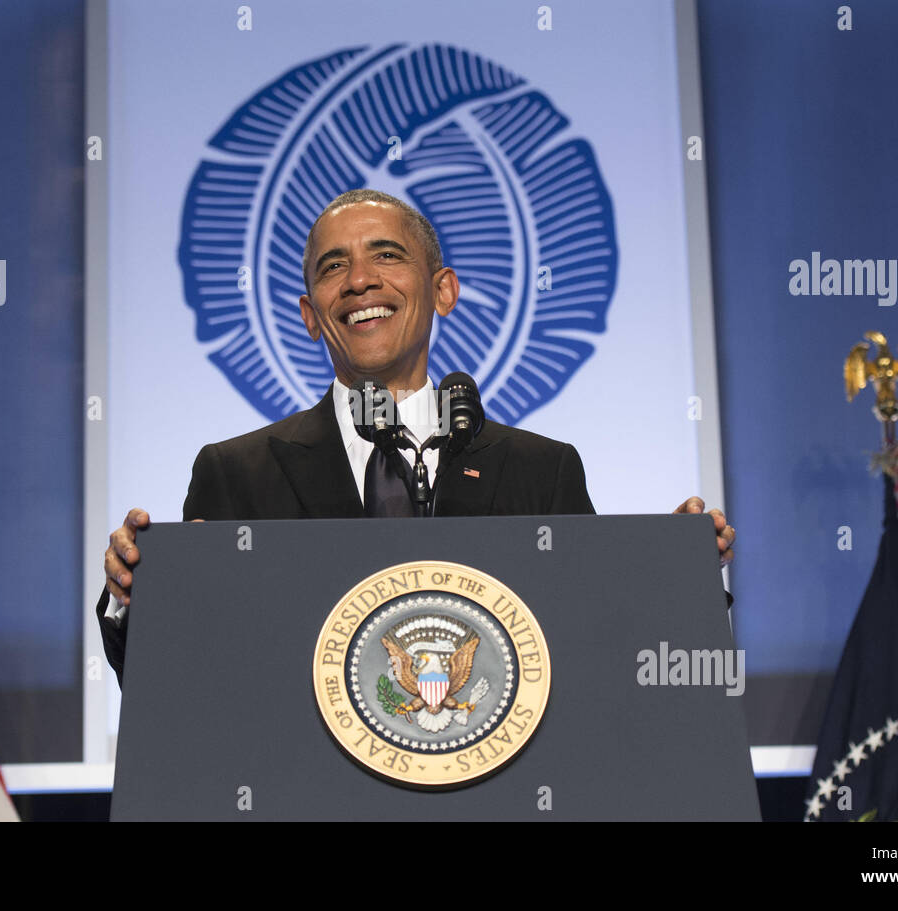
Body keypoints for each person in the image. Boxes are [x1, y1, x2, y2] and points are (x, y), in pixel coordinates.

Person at [97, 189, 735, 684]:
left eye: (387, 255)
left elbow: (598, 653)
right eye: (333, 267)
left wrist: (674, 581)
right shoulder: (236, 472)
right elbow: (181, 677)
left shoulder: (542, 470)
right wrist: (141, 595)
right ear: (311, 316)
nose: (359, 281)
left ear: (443, 291)